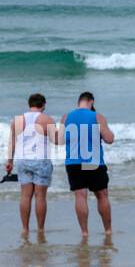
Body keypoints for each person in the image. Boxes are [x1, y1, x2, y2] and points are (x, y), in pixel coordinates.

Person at [61, 91, 114, 237]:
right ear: (91, 102)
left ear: (79, 102)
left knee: (80, 196)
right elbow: (109, 139)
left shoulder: (66, 117)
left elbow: (59, 140)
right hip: (93, 161)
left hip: (73, 161)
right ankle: (108, 231)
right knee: (102, 195)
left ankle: (84, 232)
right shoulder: (97, 116)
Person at [6, 93, 57, 234]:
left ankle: (25, 229)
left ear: (29, 104)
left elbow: (12, 142)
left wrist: (9, 161)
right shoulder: (46, 120)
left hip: (22, 160)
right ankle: (40, 229)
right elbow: (57, 141)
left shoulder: (17, 120)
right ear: (43, 105)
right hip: (41, 160)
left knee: (25, 196)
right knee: (40, 196)